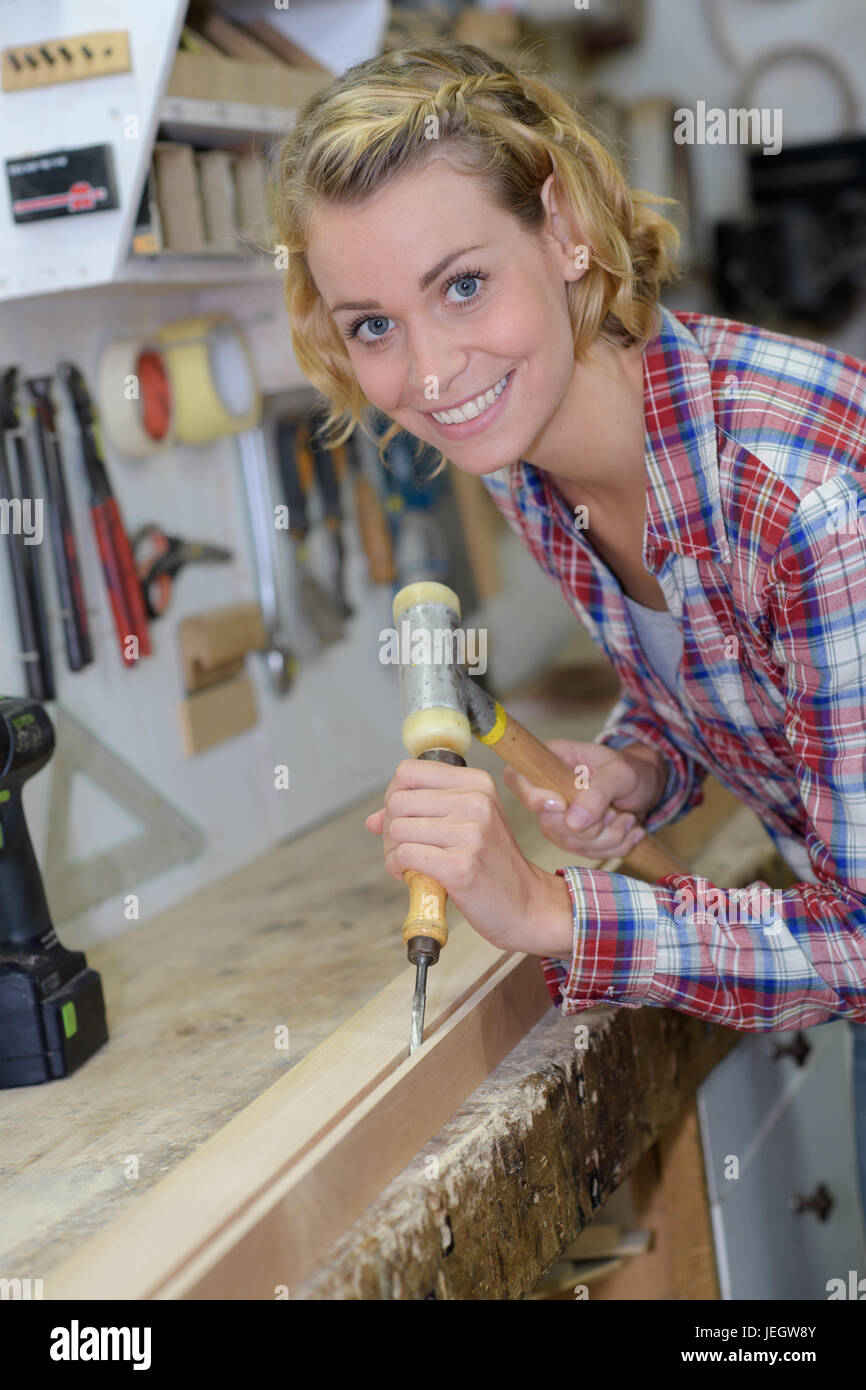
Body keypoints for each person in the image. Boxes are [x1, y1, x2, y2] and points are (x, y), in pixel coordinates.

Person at [271, 41, 866, 1225]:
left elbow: (857, 943)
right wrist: (639, 765)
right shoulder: (528, 454)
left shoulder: (802, 504)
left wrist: (553, 911)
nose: (432, 373)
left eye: (458, 286)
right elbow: (708, 674)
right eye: (372, 324)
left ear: (560, 230)